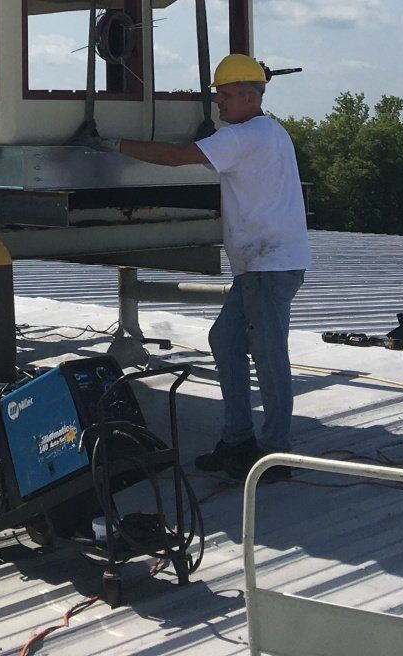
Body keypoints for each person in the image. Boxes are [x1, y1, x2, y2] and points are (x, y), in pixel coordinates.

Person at [99, 53, 310, 480]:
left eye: (225, 95)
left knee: (269, 356)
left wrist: (113, 144)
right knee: (226, 341)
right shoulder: (269, 131)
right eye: (218, 95)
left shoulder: (244, 136)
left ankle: (275, 454)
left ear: (250, 97)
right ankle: (238, 441)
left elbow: (177, 158)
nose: (218, 103)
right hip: (263, 264)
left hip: (268, 266)